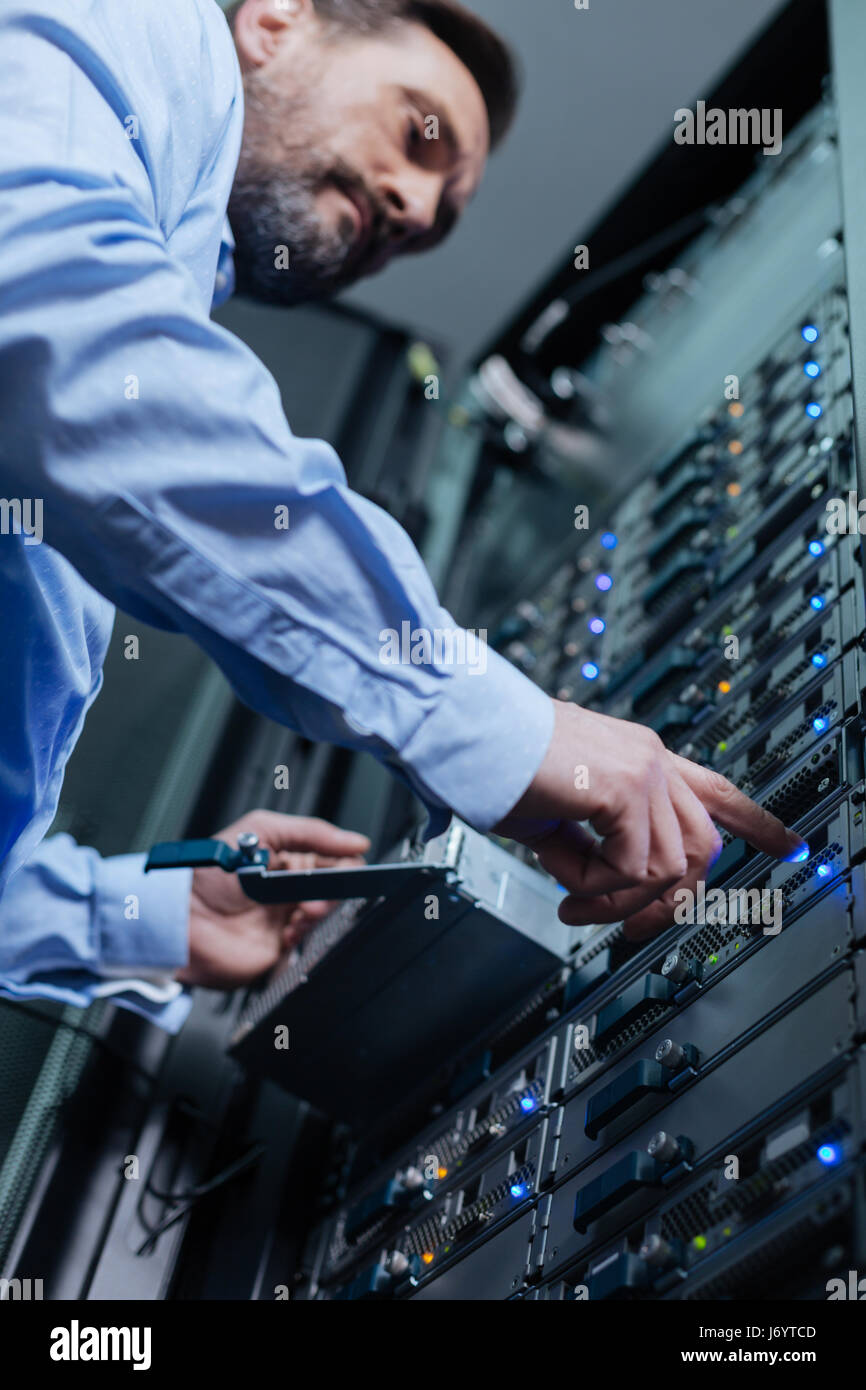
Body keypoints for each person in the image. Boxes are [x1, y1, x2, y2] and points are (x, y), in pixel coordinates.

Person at [0, 0, 805, 1034]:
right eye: (421, 131)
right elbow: (44, 331)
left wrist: (130, 915)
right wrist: (483, 720)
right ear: (276, 21)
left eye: (440, 216)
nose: (417, 209)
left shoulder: (145, 263)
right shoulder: (127, 29)